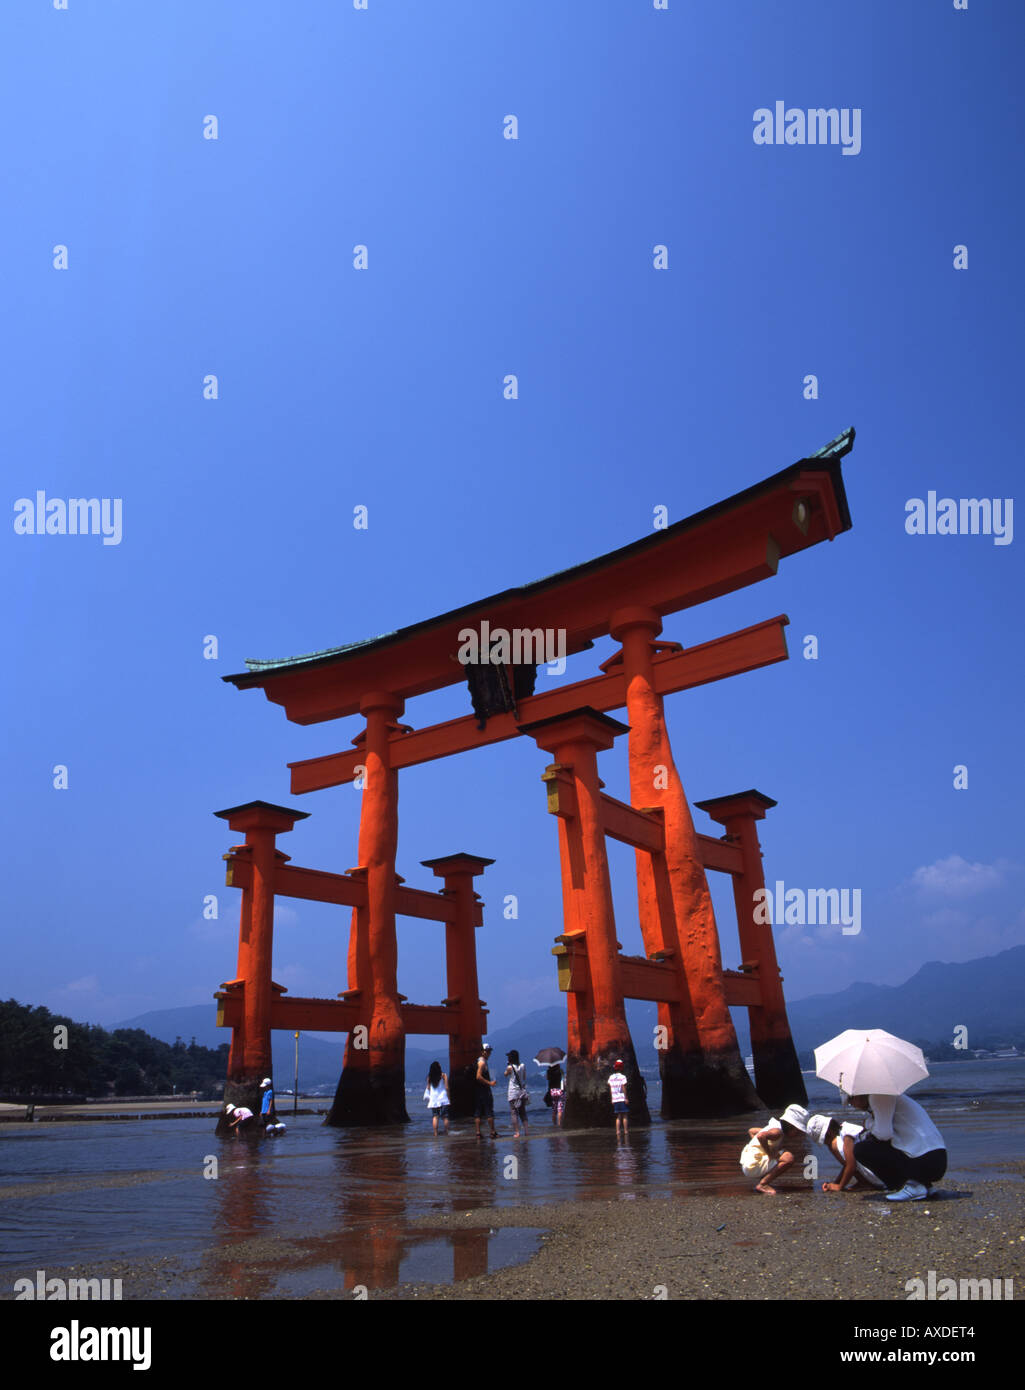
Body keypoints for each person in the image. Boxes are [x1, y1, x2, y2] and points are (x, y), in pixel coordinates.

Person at [846, 1092, 947, 1202]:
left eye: (850, 1101)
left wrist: (868, 1123)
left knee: (862, 1149)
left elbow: (883, 1134)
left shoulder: (879, 1096)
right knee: (875, 1143)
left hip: (928, 1161)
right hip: (936, 1159)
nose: (853, 1105)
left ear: (857, 1095)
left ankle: (911, 1187)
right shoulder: (890, 1096)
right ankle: (923, 1185)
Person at [739, 1103, 808, 1195]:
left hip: (748, 1164)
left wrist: (760, 1149)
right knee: (788, 1158)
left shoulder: (773, 1127)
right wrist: (769, 1154)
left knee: (780, 1152)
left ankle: (763, 1178)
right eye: (798, 1131)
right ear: (791, 1126)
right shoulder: (777, 1132)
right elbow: (761, 1136)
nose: (798, 1134)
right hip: (753, 1166)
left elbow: (752, 1131)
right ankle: (763, 1184)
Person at [805, 1112, 883, 1191]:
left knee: (834, 1145)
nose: (826, 1144)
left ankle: (865, 1183)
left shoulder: (842, 1138)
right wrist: (836, 1183)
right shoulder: (846, 1128)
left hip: (879, 1178)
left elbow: (851, 1165)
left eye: (824, 1141)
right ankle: (864, 1182)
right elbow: (847, 1164)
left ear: (828, 1133)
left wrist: (840, 1186)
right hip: (881, 1169)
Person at [474, 1044, 499, 1140]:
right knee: (489, 1111)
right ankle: (493, 1132)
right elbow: (478, 1076)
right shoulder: (482, 1063)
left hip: (477, 1090)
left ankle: (478, 1133)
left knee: (478, 1112)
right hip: (484, 1090)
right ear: (482, 1051)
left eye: (489, 1051)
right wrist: (490, 1083)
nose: (489, 1053)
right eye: (487, 1051)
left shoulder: (478, 1061)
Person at [504, 1050, 529, 1138]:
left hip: (513, 1092)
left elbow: (505, 1074)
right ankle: (526, 1131)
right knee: (523, 1112)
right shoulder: (522, 1065)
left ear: (510, 1058)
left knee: (514, 1112)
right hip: (521, 1092)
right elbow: (524, 1077)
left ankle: (517, 1132)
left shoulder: (510, 1067)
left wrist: (508, 1065)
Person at [424, 1060, 451, 1135]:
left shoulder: (429, 1077)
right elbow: (447, 1088)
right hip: (443, 1098)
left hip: (434, 1099)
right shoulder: (443, 1075)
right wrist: (449, 1097)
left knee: (435, 1116)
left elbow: (428, 1088)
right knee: (445, 1117)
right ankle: (446, 1132)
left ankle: (435, 1133)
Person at [608, 1059, 629, 1137]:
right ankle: (626, 1131)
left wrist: (612, 1099)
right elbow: (623, 1087)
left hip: (615, 1099)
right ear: (621, 1068)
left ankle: (618, 1132)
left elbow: (610, 1088)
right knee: (625, 1116)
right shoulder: (623, 1077)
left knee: (618, 1116)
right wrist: (626, 1098)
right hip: (621, 1098)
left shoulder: (611, 1077)